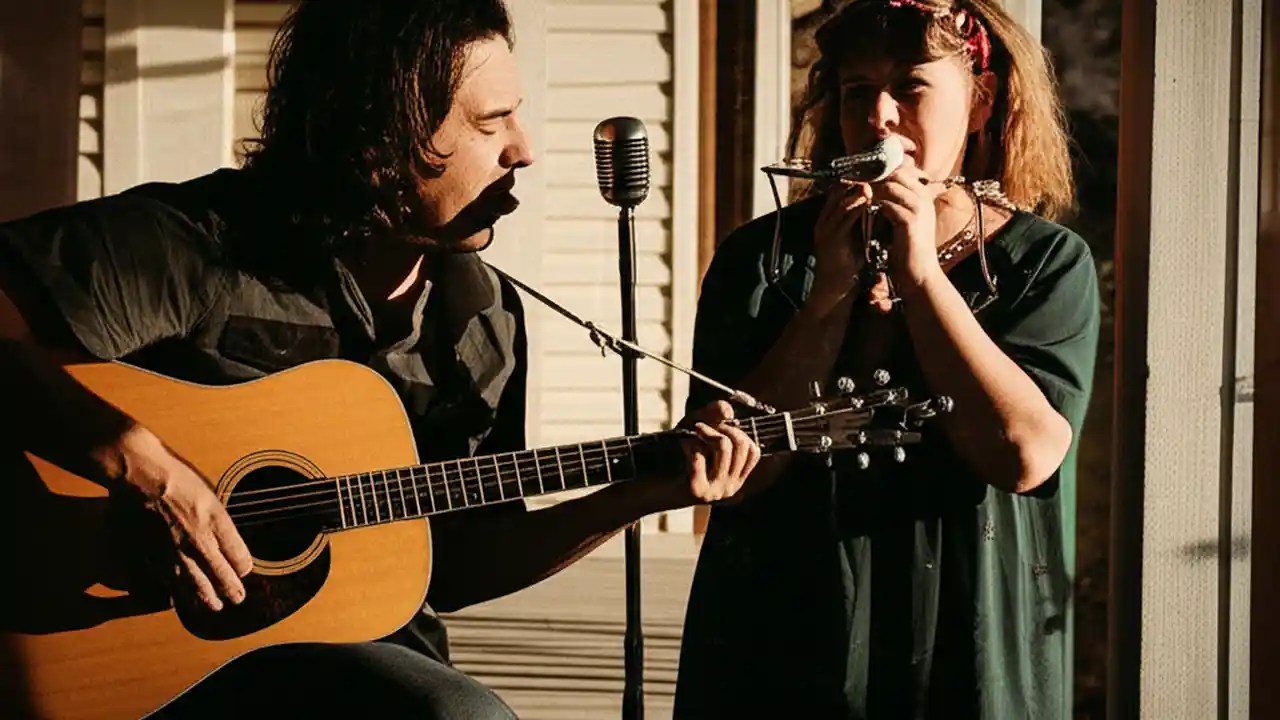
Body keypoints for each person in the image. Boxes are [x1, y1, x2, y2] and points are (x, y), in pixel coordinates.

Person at [0, 1, 760, 717]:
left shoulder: (481, 318)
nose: (524, 150)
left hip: (354, 658)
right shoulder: (199, 241)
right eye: (491, 121)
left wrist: (638, 493)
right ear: (379, 137)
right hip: (123, 651)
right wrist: (147, 470)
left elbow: (459, 563)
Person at [673, 0, 1100, 718]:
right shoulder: (762, 258)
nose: (878, 117)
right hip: (780, 641)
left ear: (980, 103)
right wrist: (828, 297)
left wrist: (922, 274)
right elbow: (735, 471)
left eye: (910, 87)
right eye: (855, 90)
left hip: (960, 644)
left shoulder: (1044, 263)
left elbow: (1024, 454)